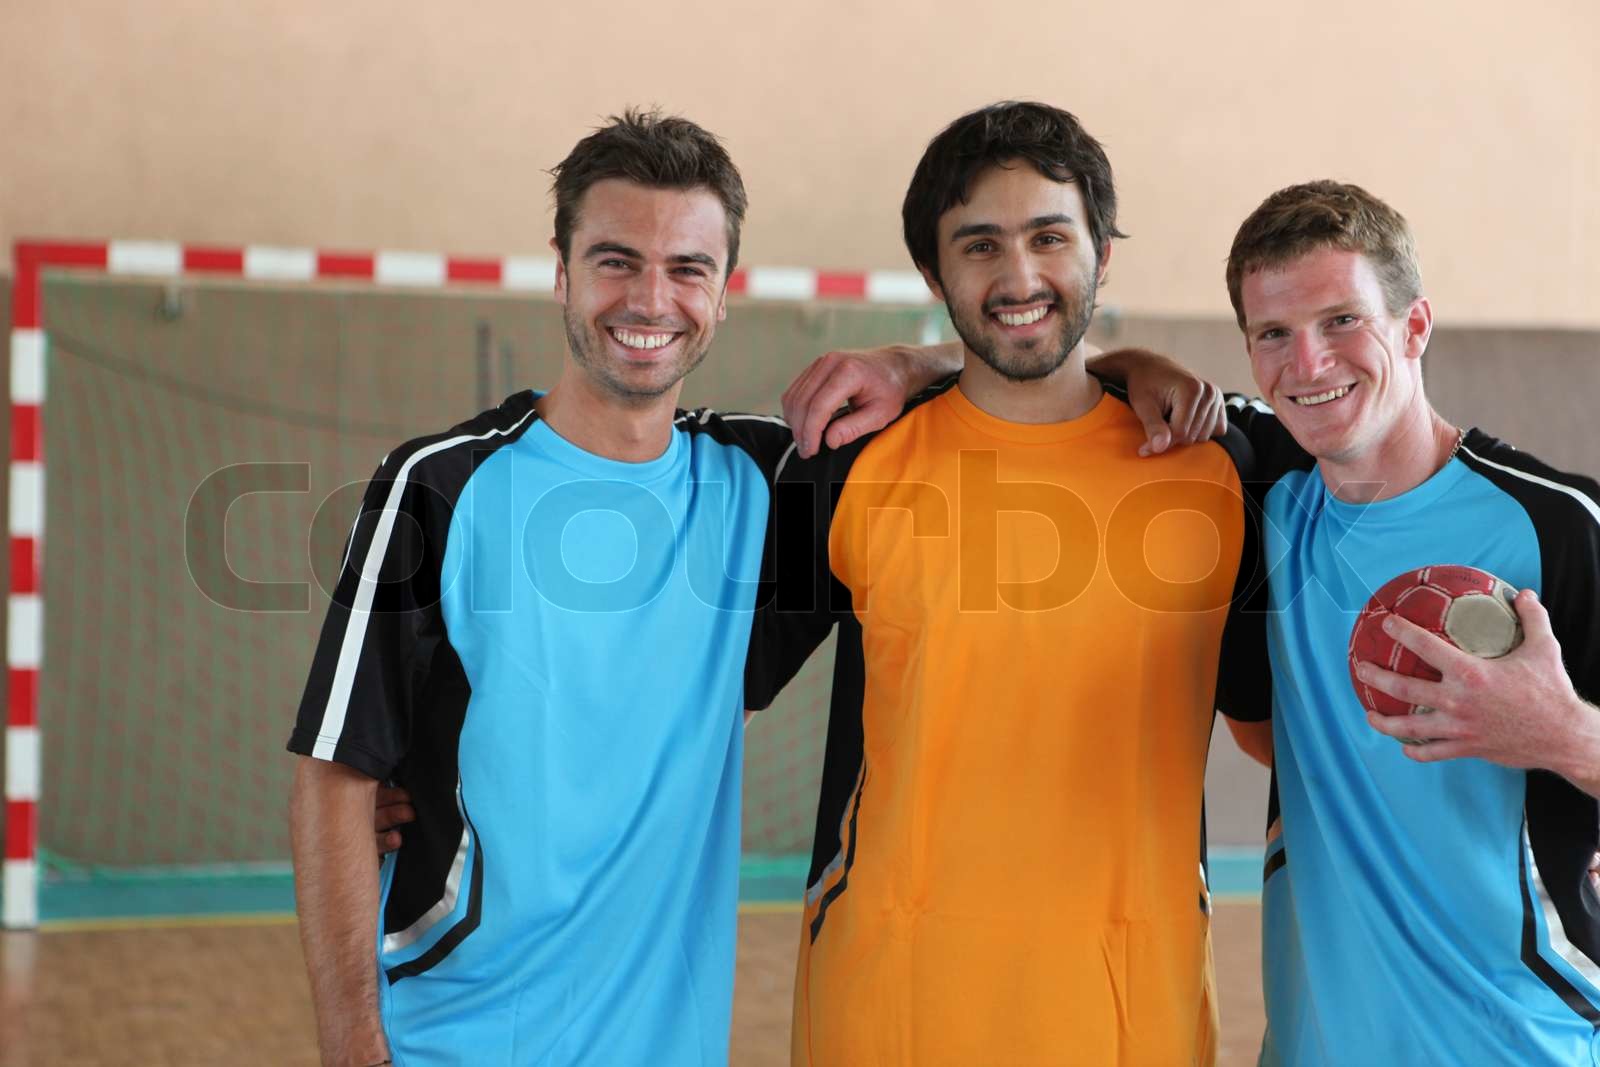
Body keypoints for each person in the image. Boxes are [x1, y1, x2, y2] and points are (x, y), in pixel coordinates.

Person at [298, 107, 1211, 1066]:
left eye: (688, 268)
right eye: (615, 260)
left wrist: (1040, 362)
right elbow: (332, 774)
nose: (651, 298)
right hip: (451, 1032)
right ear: (561, 272)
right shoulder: (441, 486)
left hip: (666, 1041)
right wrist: (354, 1046)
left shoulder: (766, 481)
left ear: (724, 292)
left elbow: (1020, 357)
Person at [749, 101, 1273, 1066]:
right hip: (888, 1004)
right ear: (933, 273)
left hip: (1132, 1007)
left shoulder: (1216, 467)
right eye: (980, 244)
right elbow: (715, 689)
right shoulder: (845, 464)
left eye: (1050, 237)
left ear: (1102, 255)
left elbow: (1273, 727)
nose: (1020, 277)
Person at [1215, 180, 1600, 1064]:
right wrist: (914, 364)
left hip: (1522, 1044)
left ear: (1414, 325)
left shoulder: (1558, 528)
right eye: (1273, 333)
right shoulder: (1265, 496)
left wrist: (1563, 734)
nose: (1308, 363)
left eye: (1342, 320)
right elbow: (1073, 371)